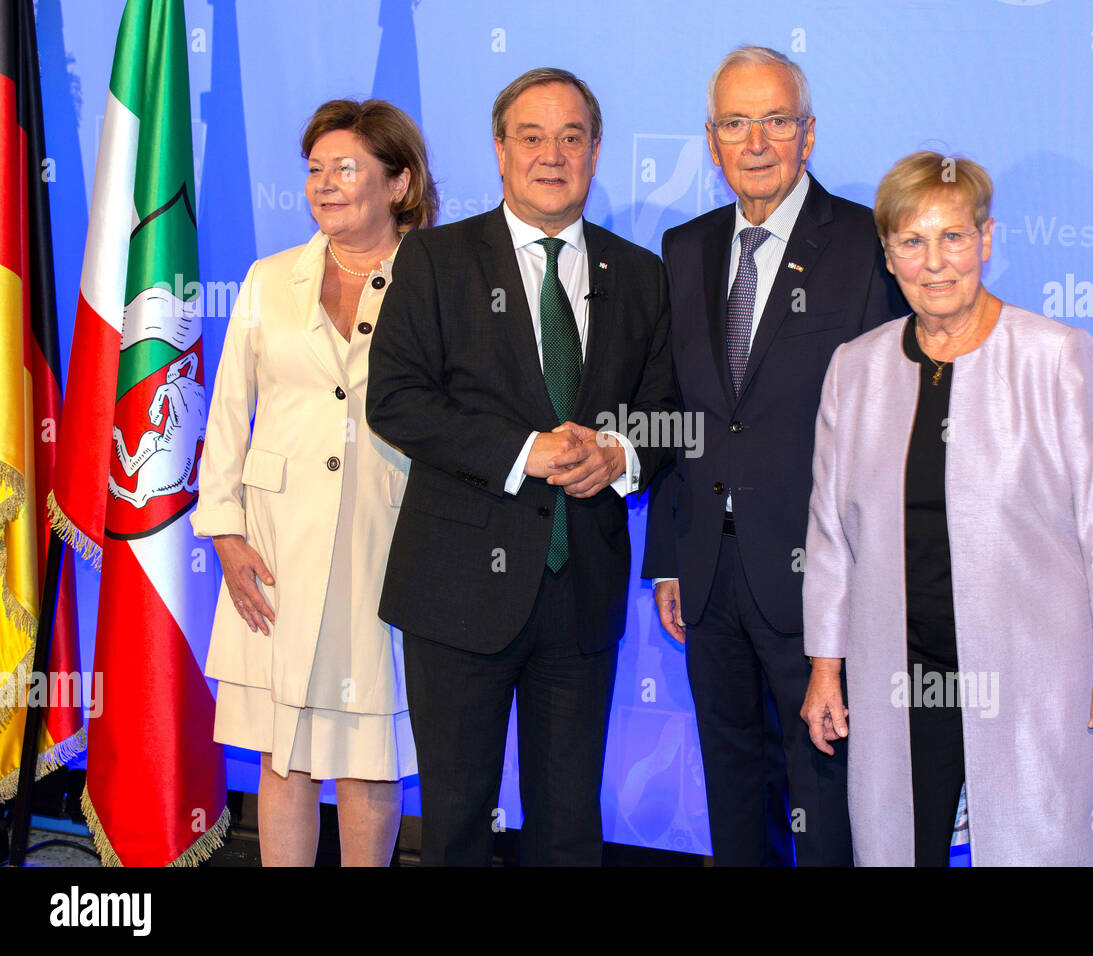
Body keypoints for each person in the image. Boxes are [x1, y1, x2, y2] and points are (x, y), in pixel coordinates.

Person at [800, 150, 1093, 866]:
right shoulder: (855, 369)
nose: (935, 262)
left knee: (1038, 845)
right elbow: (831, 538)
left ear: (986, 241)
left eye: (953, 237)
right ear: (889, 255)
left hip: (1032, 671)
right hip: (903, 674)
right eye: (912, 241)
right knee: (905, 846)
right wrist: (825, 666)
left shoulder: (1055, 356)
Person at [366, 67, 675, 866]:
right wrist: (523, 453)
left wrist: (620, 453)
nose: (552, 154)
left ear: (597, 152)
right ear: (500, 151)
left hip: (582, 597)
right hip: (457, 590)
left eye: (572, 137)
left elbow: (667, 414)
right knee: (459, 820)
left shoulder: (640, 275)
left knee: (569, 825)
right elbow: (395, 401)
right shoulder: (434, 259)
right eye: (531, 136)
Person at [642, 46, 896, 866]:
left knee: (827, 793)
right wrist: (669, 559)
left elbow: (894, 422)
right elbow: (672, 410)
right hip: (709, 579)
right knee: (732, 781)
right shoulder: (683, 248)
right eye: (736, 123)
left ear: (809, 135)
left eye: (777, 120)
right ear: (711, 141)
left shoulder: (869, 244)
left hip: (824, 581)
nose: (757, 141)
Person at [192, 99, 436, 866]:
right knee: (282, 752)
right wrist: (225, 535)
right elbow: (228, 415)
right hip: (274, 549)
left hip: (385, 541)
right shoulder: (270, 281)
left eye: (346, 169)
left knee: (368, 757)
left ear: (397, 184)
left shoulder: (435, 281)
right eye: (315, 171)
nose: (325, 185)